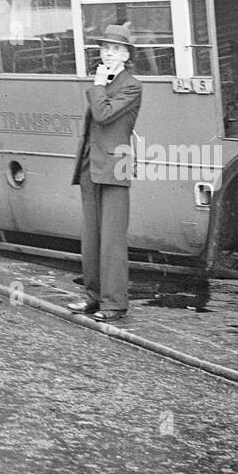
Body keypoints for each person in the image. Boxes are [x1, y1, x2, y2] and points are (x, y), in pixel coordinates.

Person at [69, 24, 142, 322]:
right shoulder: (105, 83)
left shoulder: (131, 86)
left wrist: (98, 85)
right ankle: (93, 297)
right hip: (91, 167)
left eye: (116, 49)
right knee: (92, 238)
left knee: (112, 240)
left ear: (126, 55)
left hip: (114, 167)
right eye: (105, 48)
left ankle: (114, 304)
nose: (109, 53)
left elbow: (103, 114)